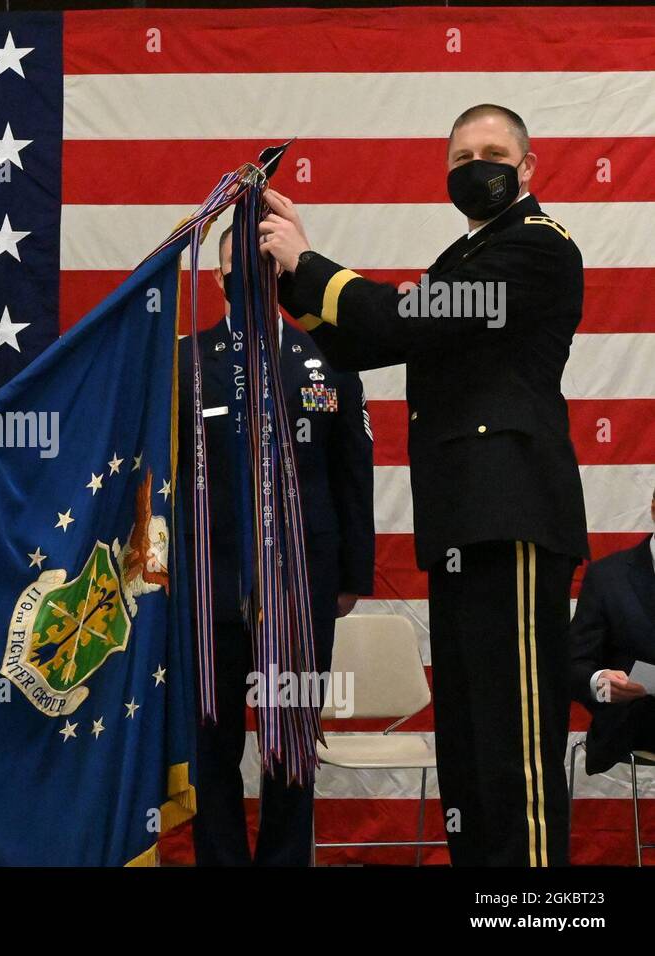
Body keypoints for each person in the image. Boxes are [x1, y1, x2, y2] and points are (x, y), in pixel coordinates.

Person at [259, 104, 588, 866]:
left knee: (514, 746)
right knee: (469, 749)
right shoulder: (458, 260)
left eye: (495, 152)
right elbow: (358, 341)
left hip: (512, 518)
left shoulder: (537, 250)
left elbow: (407, 317)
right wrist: (280, 271)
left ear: (529, 167)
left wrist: (312, 262)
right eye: (463, 154)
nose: (478, 165)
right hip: (461, 524)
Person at [182, 224, 374, 866]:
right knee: (211, 747)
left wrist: (352, 574)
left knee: (291, 745)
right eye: (240, 260)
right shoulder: (186, 361)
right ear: (216, 277)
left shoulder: (331, 356)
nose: (254, 270)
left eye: (266, 258)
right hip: (209, 585)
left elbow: (354, 470)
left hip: (301, 585)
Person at [570, 484, 655, 778]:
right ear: (654, 508)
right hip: (638, 719)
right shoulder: (608, 577)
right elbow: (572, 668)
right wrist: (602, 684)